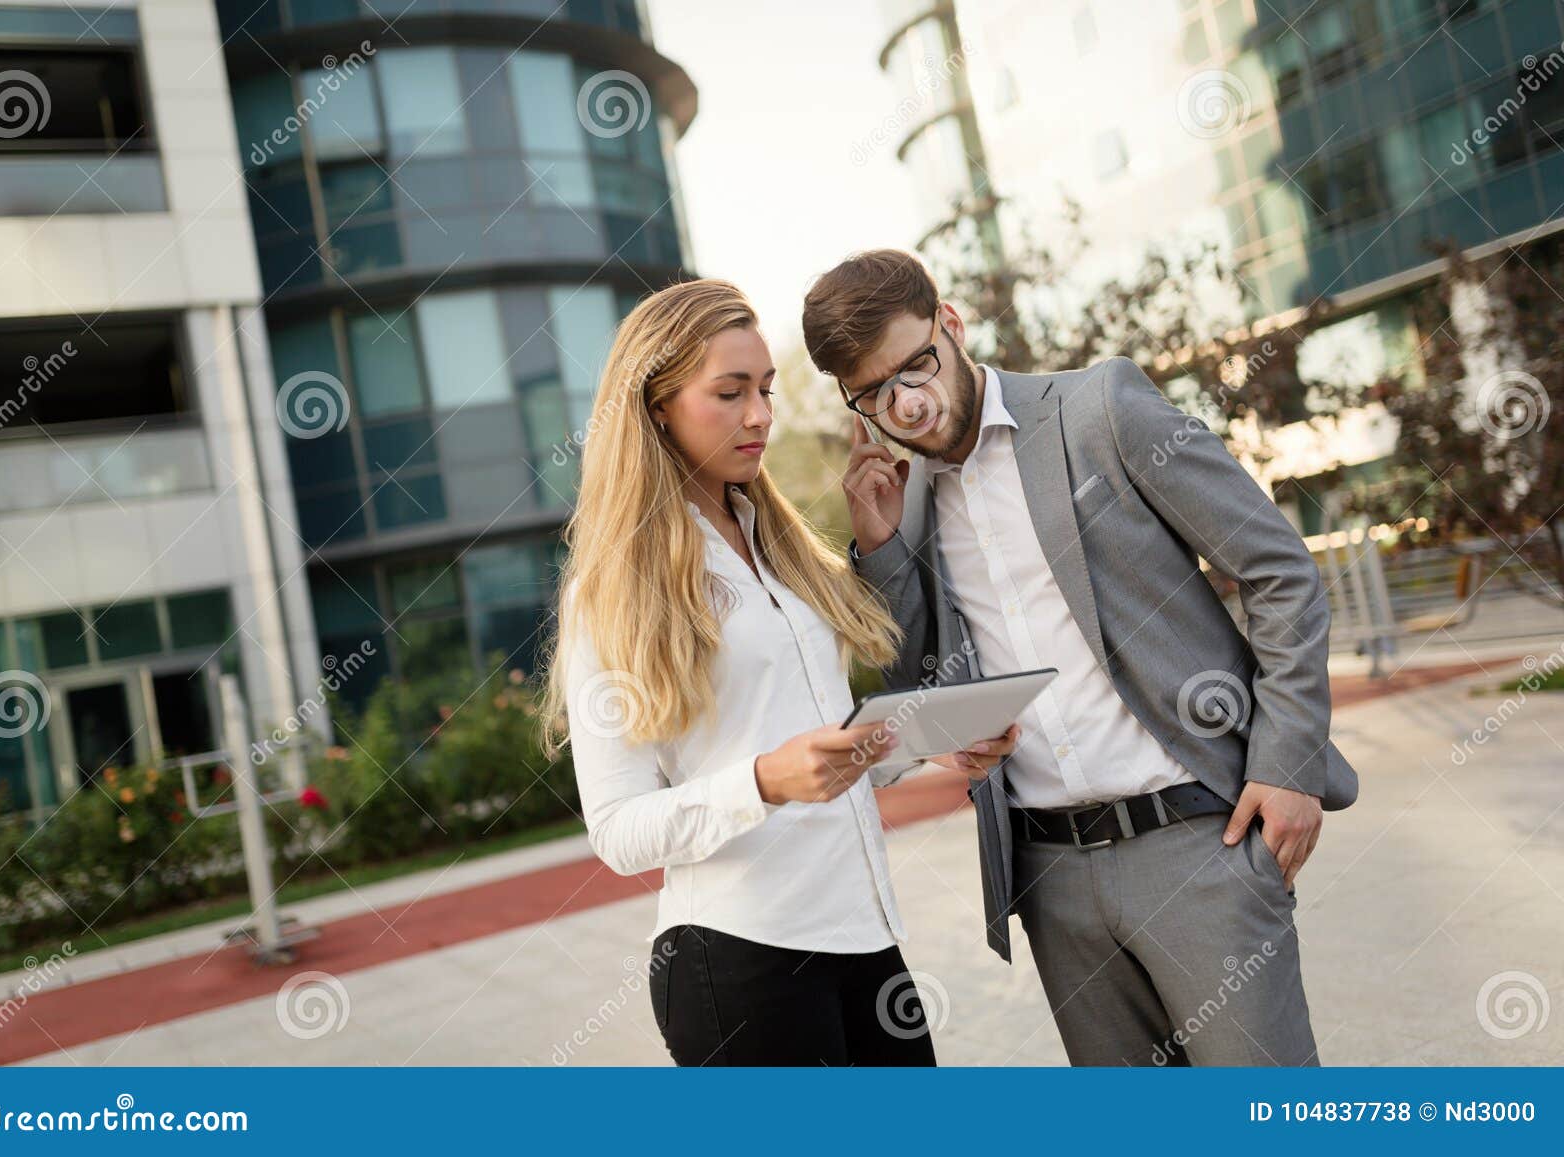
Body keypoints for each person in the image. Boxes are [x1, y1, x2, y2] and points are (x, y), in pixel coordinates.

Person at [803, 248, 1359, 1066]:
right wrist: (882, 547)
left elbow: (1278, 569)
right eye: (875, 394)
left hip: (1197, 843)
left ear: (950, 325)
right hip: (1052, 878)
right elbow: (921, 687)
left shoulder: (1101, 407)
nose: (907, 404)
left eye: (914, 366)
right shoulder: (903, 500)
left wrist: (1289, 764)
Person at [540, 277, 1016, 1066]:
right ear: (658, 405)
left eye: (763, 389)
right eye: (729, 393)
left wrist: (931, 747)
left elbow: (819, 753)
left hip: (866, 939)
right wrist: (761, 780)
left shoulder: (781, 551)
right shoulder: (616, 587)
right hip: (738, 960)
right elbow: (619, 830)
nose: (760, 414)